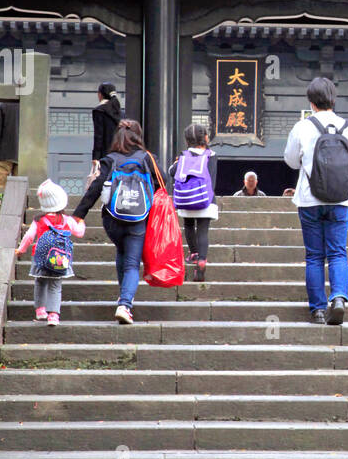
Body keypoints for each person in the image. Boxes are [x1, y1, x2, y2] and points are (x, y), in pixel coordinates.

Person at [283, 77, 348, 325]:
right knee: (338, 252)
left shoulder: (302, 127)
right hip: (341, 198)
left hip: (309, 199)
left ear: (311, 101)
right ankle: (338, 298)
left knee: (314, 255)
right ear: (333, 99)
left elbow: (291, 161)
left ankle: (317, 309)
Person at [72, 119, 163, 324]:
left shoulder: (110, 159)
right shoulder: (148, 158)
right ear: (138, 136)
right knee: (132, 263)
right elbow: (163, 182)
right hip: (138, 218)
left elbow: (95, 188)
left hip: (112, 219)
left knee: (122, 252)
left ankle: (124, 297)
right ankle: (125, 304)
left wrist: (78, 215)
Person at [16, 178, 85, 326]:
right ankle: (53, 315)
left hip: (40, 257)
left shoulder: (38, 220)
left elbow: (29, 236)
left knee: (40, 282)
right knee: (55, 285)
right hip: (60, 258)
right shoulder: (67, 220)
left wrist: (21, 250)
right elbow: (79, 233)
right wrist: (82, 223)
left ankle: (40, 310)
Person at [168, 124, 217, 282]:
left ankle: (194, 253)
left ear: (187, 140)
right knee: (203, 230)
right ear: (205, 138)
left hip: (187, 198)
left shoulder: (183, 156)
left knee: (189, 225)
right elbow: (213, 177)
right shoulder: (212, 155)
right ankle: (202, 260)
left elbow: (171, 172)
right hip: (205, 198)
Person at [89, 83, 122, 179]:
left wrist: (96, 157)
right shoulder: (120, 112)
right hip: (120, 154)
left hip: (105, 154)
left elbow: (99, 135)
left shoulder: (99, 111)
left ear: (100, 94)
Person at [0, 99, 18, 193]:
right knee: (19, 190)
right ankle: (17, 207)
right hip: (25, 155)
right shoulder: (32, 106)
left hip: (3, 155)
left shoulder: (5, 105)